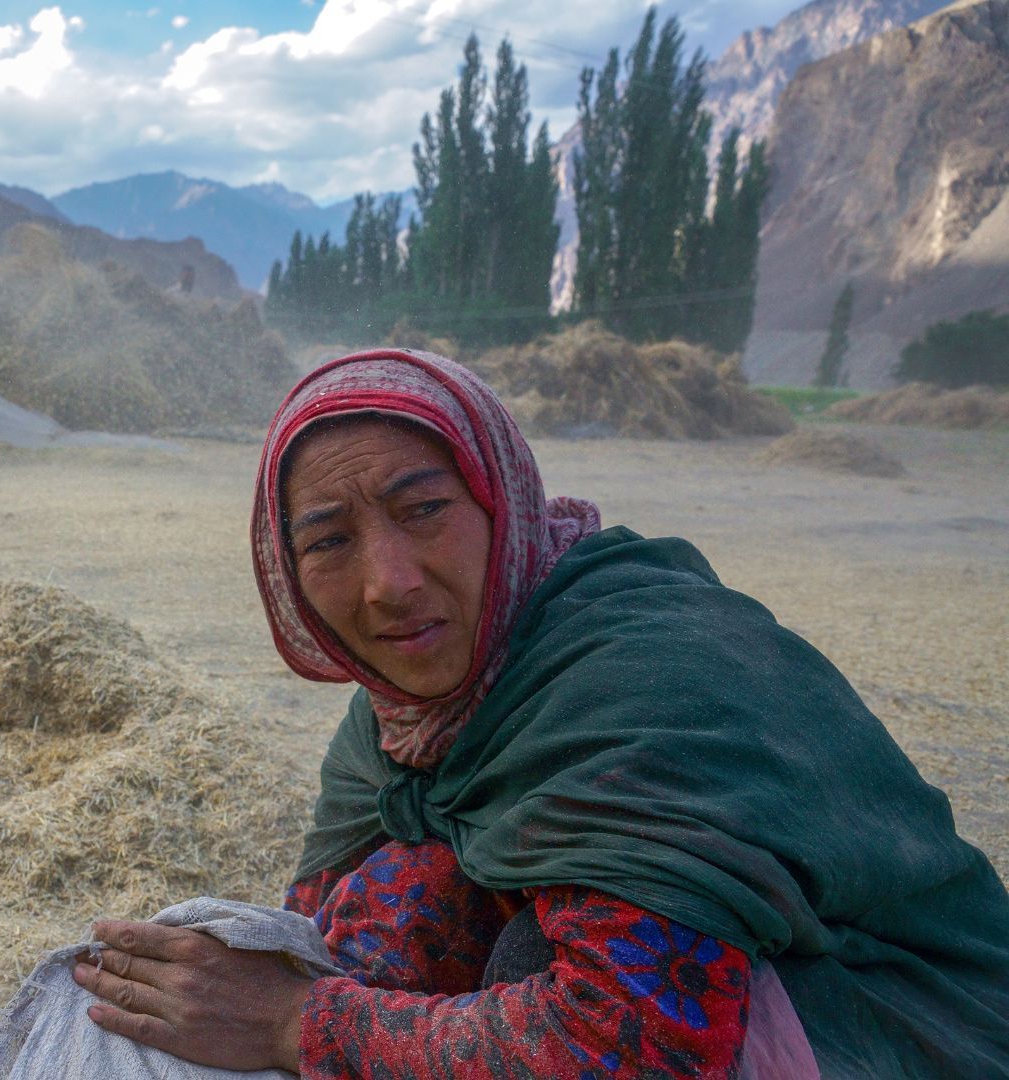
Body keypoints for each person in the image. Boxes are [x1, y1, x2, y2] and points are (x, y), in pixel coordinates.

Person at [70, 350, 1009, 1078]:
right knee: (401, 898)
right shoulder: (404, 712)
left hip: (900, 1024)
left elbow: (634, 1046)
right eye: (330, 540)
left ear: (500, 499)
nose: (390, 584)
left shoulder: (637, 679)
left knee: (521, 950)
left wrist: (289, 1024)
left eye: (425, 508)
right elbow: (328, 918)